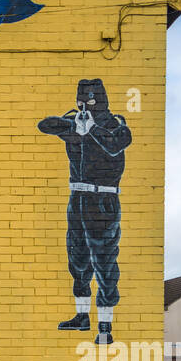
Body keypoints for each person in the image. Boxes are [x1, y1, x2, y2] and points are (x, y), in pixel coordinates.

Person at [37, 79, 131, 345]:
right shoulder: (74, 124)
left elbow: (116, 144)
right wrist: (74, 126)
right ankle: (82, 317)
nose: (85, 106)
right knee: (77, 259)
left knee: (104, 261)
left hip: (103, 199)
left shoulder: (115, 125)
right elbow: (44, 125)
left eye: (90, 101)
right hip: (77, 198)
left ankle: (105, 325)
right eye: (81, 101)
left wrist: (92, 130)